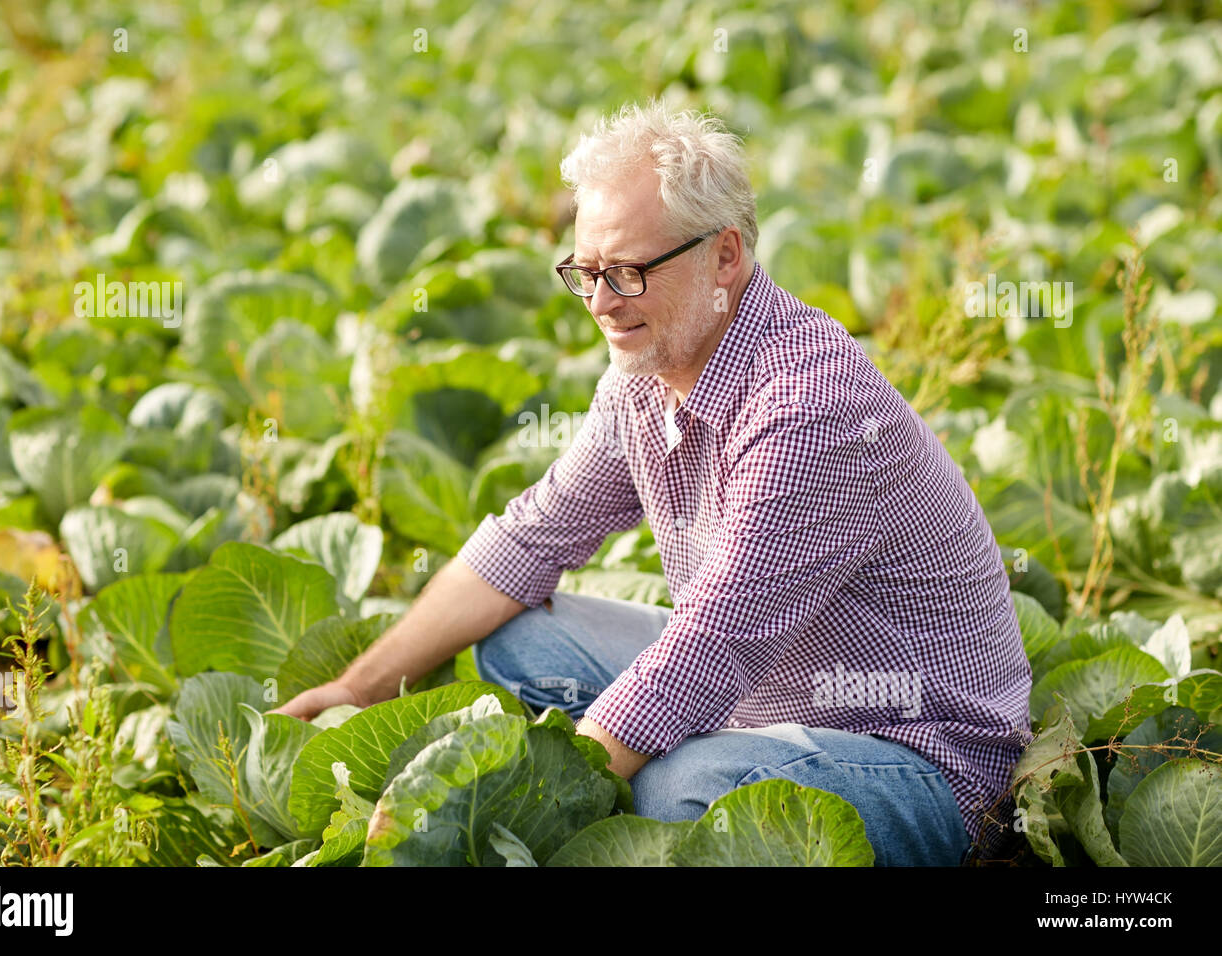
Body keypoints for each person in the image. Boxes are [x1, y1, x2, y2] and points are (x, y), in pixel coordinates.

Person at [271, 99, 1033, 866]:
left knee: (682, 792)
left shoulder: (810, 408)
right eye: (587, 272)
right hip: (767, 697)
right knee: (520, 642)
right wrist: (358, 688)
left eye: (630, 272)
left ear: (724, 256)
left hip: (917, 752)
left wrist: (528, 803)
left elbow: (711, 645)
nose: (602, 304)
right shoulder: (651, 366)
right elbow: (533, 534)